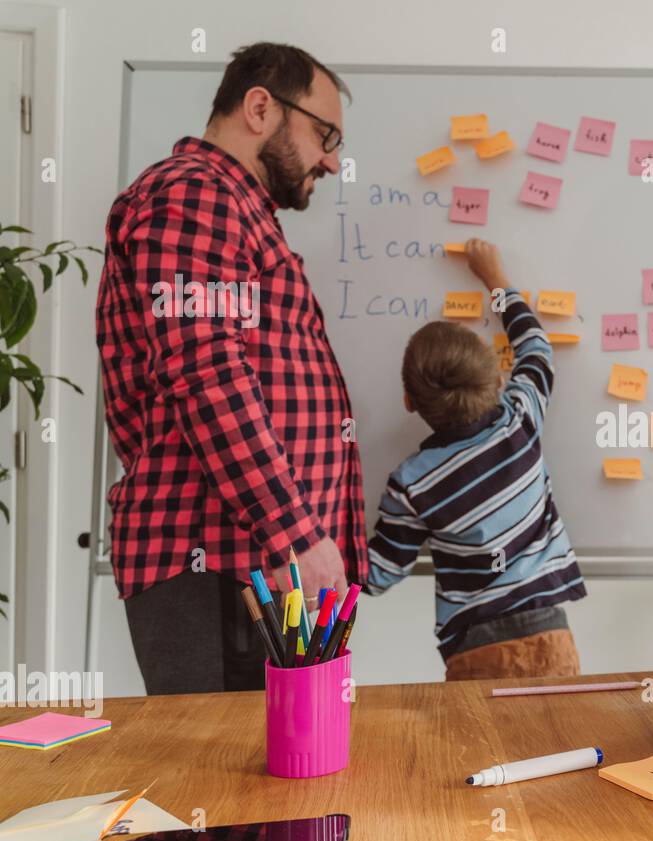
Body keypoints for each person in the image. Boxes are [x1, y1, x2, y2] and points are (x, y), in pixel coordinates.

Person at [95, 43, 365, 693]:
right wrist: (297, 535)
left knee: (271, 784)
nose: (332, 159)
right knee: (223, 786)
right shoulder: (195, 194)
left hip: (254, 568)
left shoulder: (237, 209)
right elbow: (207, 371)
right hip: (225, 566)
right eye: (324, 133)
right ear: (260, 107)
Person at [366, 239, 587, 679]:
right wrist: (495, 279)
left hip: (473, 648)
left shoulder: (412, 483)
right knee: (564, 743)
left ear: (410, 401)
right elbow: (536, 347)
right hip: (550, 636)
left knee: (482, 750)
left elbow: (378, 575)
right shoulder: (520, 419)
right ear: (496, 376)